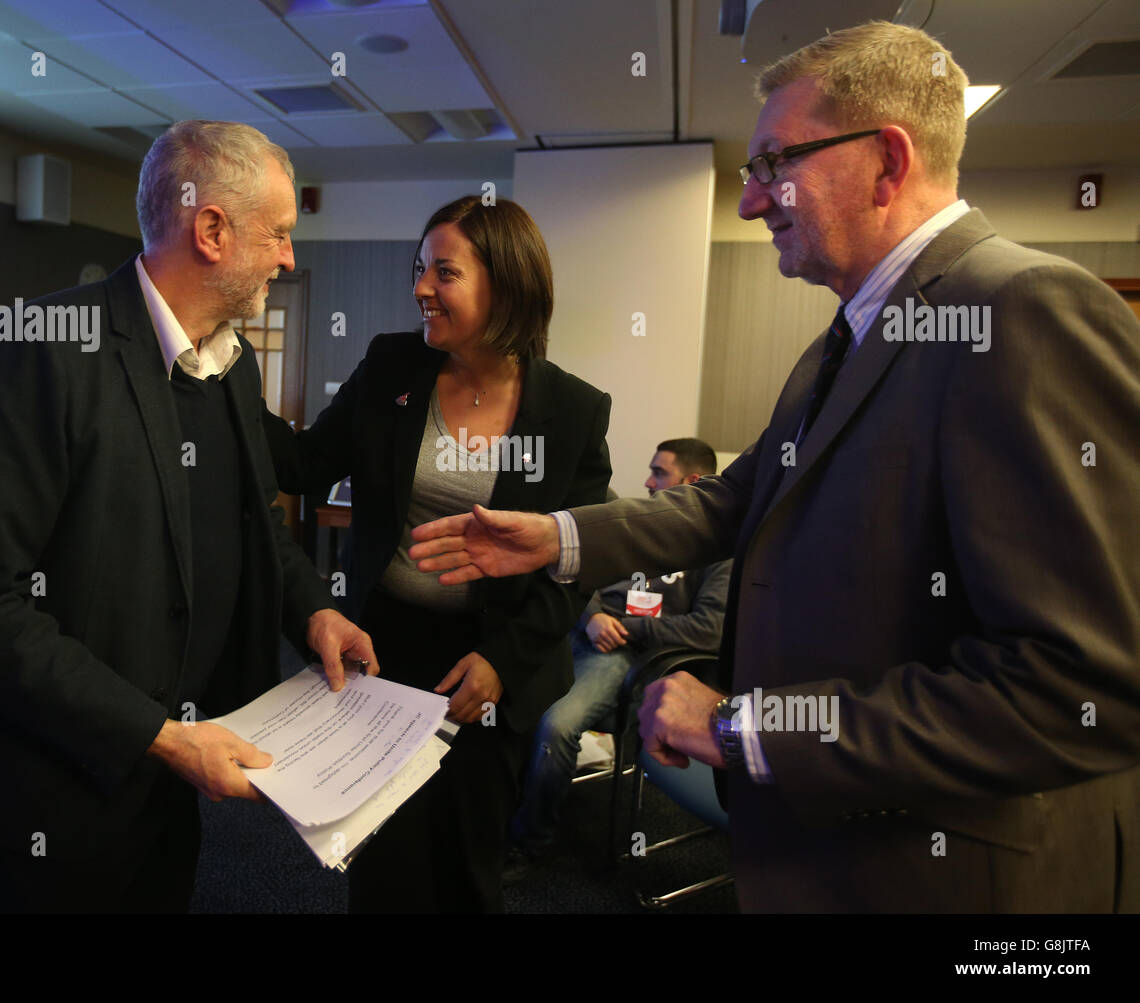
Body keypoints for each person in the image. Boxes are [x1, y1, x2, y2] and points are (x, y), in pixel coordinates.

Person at [409, 22, 1140, 912]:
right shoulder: (840, 340)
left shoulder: (1025, 310)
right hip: (827, 851)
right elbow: (735, 499)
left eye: (771, 165)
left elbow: (1082, 686)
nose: (753, 202)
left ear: (888, 160)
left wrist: (743, 726)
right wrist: (555, 536)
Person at [0, 120, 377, 913]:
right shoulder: (34, 353)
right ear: (211, 229)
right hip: (50, 797)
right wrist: (162, 736)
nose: (288, 256)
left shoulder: (233, 365)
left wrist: (313, 611)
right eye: (277, 234)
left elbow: (254, 522)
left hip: (167, 781)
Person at [263, 195, 612, 912]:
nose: (421, 286)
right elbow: (302, 464)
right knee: (381, 850)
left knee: (465, 864)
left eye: (443, 271)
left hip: (486, 662)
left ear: (507, 284)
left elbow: (575, 564)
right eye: (419, 268)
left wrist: (503, 666)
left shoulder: (572, 410)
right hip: (382, 646)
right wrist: (222, 376)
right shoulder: (393, 364)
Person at [506, 438, 731, 877]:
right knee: (497, 696)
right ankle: (490, 814)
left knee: (556, 725)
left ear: (694, 482)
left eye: (659, 473)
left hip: (630, 655)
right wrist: (591, 617)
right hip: (579, 630)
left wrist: (625, 627)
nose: (647, 482)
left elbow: (709, 630)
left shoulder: (720, 553)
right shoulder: (642, 524)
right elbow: (578, 576)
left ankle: (531, 844)